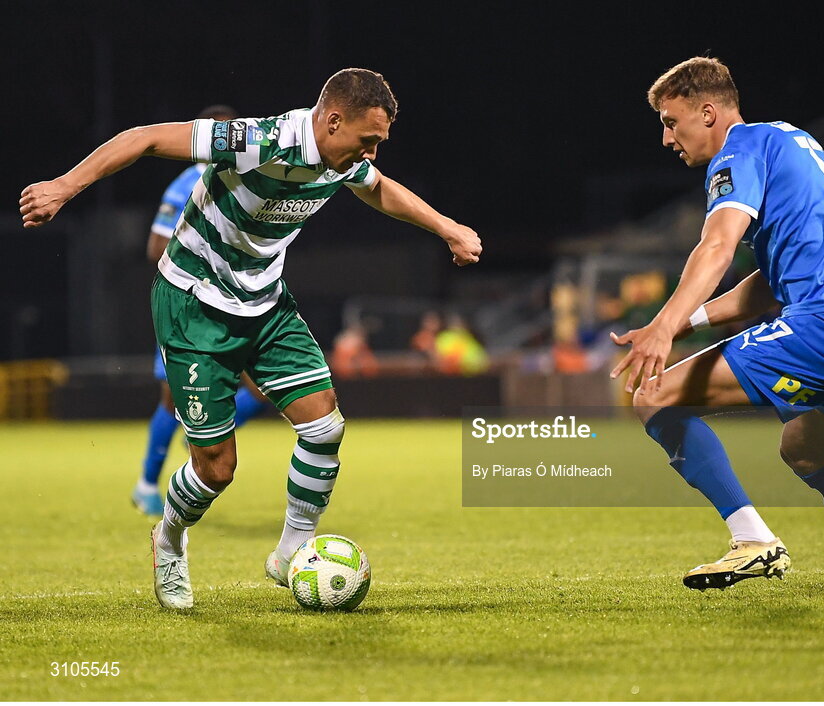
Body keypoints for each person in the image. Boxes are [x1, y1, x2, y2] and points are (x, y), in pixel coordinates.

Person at [21, 68, 482, 610]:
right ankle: (168, 538)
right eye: (367, 140)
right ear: (333, 121)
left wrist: (447, 227)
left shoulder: (344, 159)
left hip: (264, 304)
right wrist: (64, 186)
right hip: (194, 304)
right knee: (217, 468)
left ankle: (289, 553)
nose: (371, 154)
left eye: (377, 143)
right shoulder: (259, 140)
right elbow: (143, 138)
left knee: (324, 426)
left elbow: (378, 189)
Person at [611, 57, 824, 596]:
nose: (667, 138)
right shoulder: (786, 140)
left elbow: (717, 246)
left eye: (671, 122)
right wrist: (680, 324)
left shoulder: (736, 153)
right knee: (805, 451)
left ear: (707, 113)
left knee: (654, 397)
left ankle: (752, 539)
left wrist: (663, 325)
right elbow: (772, 283)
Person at [132, 104, 271, 517]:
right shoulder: (187, 182)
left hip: (238, 305)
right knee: (171, 401)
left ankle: (203, 433)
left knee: (262, 390)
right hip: (190, 306)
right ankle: (147, 484)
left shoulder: (246, 176)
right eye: (223, 134)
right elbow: (156, 248)